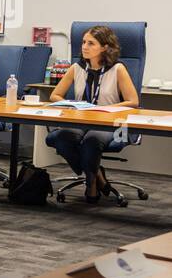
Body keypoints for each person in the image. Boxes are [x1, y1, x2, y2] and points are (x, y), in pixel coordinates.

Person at [47, 25, 140, 202]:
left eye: (91, 43)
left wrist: (105, 109)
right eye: (83, 42)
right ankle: (97, 174)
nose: (84, 47)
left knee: (91, 141)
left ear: (105, 47)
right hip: (82, 120)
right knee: (61, 138)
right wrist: (73, 104)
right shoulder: (77, 67)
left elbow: (133, 101)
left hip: (110, 122)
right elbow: (55, 95)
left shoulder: (117, 69)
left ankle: (91, 184)